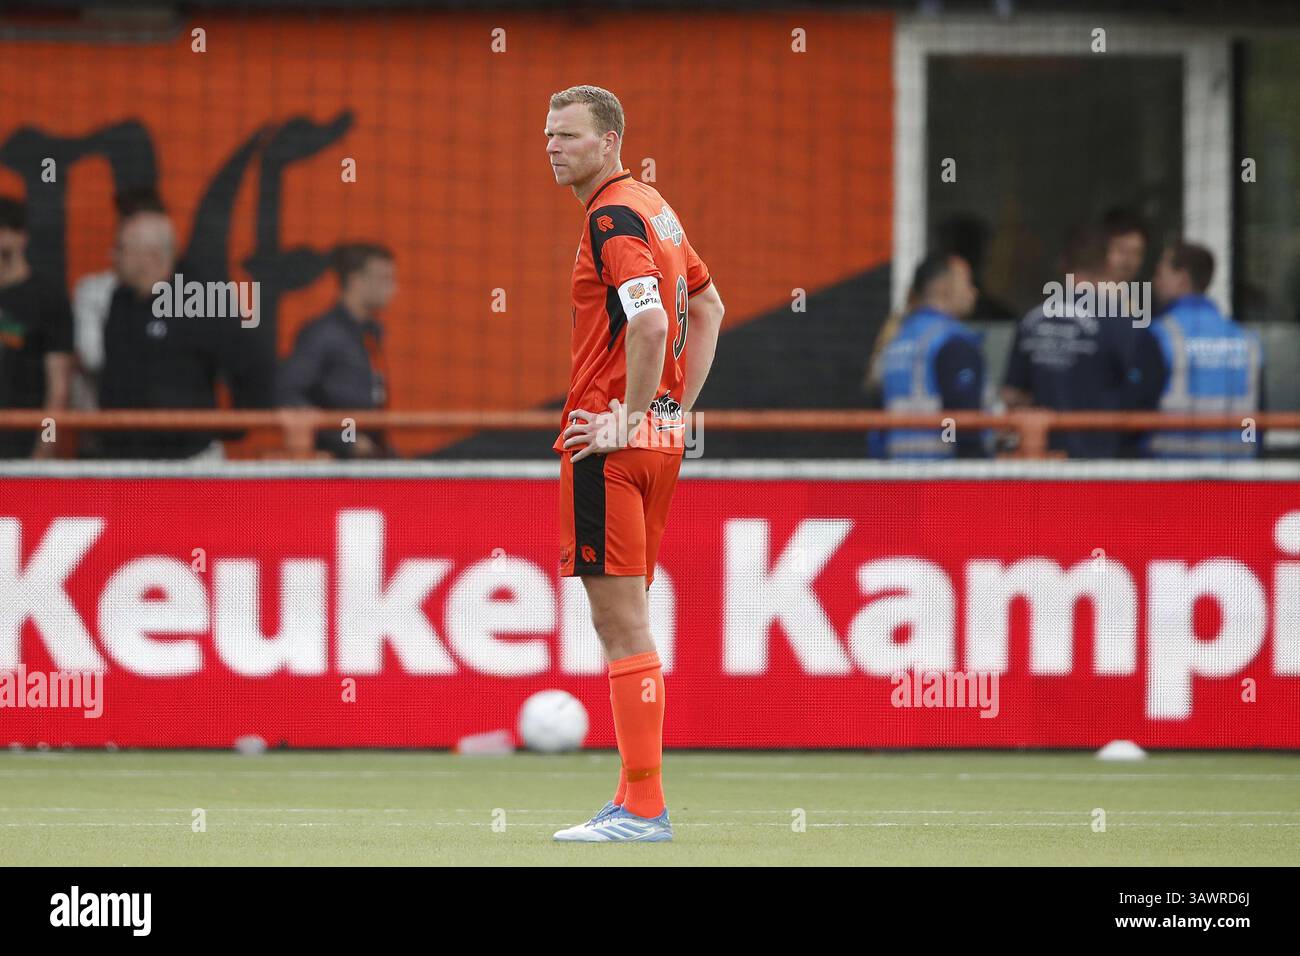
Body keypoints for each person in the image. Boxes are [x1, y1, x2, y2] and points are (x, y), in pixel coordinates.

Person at [546, 85, 724, 842]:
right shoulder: (656, 206)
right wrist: (667, 415)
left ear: (611, 140)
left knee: (619, 627)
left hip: (607, 443)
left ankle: (645, 809)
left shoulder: (611, 215)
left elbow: (650, 323)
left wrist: (627, 416)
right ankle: (632, 800)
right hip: (659, 445)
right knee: (632, 622)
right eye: (549, 135)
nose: (554, 147)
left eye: (571, 136)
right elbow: (708, 306)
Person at [97, 210, 271, 458]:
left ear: (152, 256)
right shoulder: (119, 300)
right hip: (124, 458)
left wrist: (234, 427)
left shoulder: (201, 299)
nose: (111, 256)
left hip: (188, 458)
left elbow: (253, 366)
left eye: (121, 248)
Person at [1001, 225, 1163, 458]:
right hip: (1105, 466)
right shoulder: (1123, 321)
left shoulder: (1030, 319)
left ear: (1062, 262)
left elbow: (1012, 396)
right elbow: (1144, 396)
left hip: (1046, 464)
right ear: (1108, 262)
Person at [277, 243, 395, 459]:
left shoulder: (370, 333)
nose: (393, 288)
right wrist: (348, 440)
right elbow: (289, 393)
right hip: (337, 463)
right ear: (356, 281)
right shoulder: (323, 333)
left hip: (372, 453)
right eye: (384, 279)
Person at [1147, 240, 1263, 458]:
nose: (1155, 282)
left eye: (1160, 273)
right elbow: (1258, 417)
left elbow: (1139, 410)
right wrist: (1249, 450)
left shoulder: (1159, 335)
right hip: (1239, 476)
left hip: (1173, 476)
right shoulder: (1247, 341)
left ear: (1181, 279)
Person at [871, 252, 985, 459]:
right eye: (967, 282)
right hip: (943, 480)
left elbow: (877, 431)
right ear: (942, 286)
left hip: (897, 479)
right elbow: (967, 425)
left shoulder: (894, 341)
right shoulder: (953, 342)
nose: (973, 291)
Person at [0, 196, 73, 459]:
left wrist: (43, 453)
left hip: (23, 447)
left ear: (22, 237)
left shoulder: (47, 298)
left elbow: (58, 389)